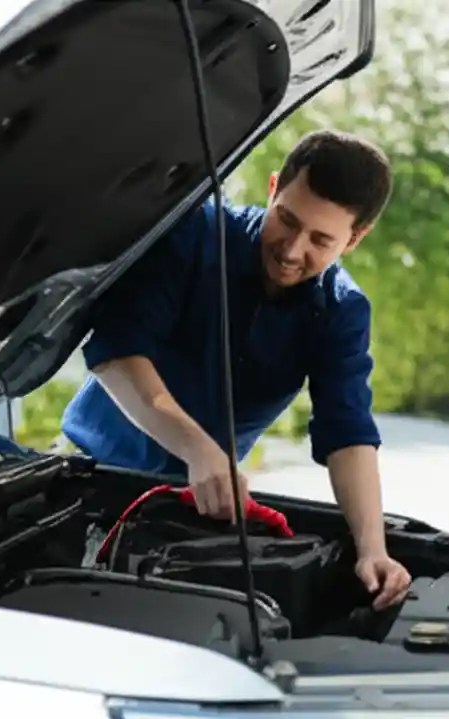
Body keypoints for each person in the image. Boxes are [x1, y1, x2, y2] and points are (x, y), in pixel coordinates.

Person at [60, 129, 411, 609]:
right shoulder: (191, 236)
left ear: (355, 238)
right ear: (272, 188)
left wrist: (373, 549)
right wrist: (199, 449)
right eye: (286, 220)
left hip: (193, 514)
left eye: (320, 240)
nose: (291, 250)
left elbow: (347, 433)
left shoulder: (341, 311)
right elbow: (116, 356)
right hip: (84, 481)